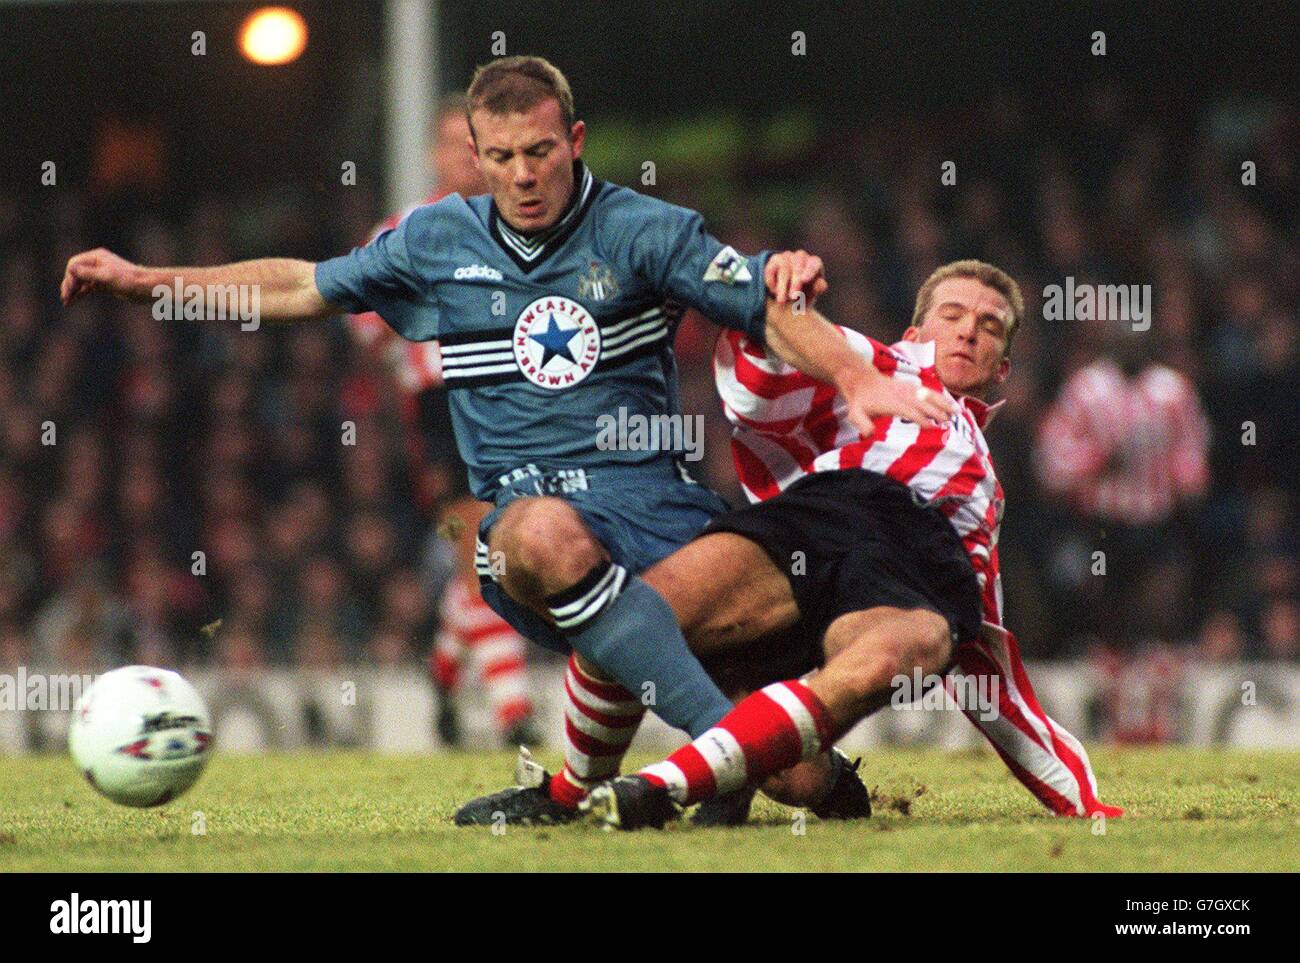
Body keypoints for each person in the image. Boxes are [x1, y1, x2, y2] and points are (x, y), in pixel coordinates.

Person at [61, 56, 943, 821]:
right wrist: (150, 283)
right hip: (536, 525)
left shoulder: (643, 229)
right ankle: (720, 748)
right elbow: (301, 287)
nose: (523, 175)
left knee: (796, 776)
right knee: (532, 529)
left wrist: (858, 377)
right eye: (503, 157)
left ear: (578, 139)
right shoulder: (435, 239)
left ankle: (708, 781)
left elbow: (768, 302)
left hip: (669, 516)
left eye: (541, 152)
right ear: (475, 156)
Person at [571, 260, 1123, 828]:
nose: (968, 331)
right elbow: (754, 388)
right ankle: (569, 794)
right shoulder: (876, 367)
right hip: (821, 518)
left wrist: (1080, 799)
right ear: (913, 335)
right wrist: (781, 295)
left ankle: (658, 789)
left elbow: (982, 658)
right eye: (952, 315)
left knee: (889, 667)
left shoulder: (986, 491)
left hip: (915, 568)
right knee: (626, 618)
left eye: (988, 325)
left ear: (1002, 366)